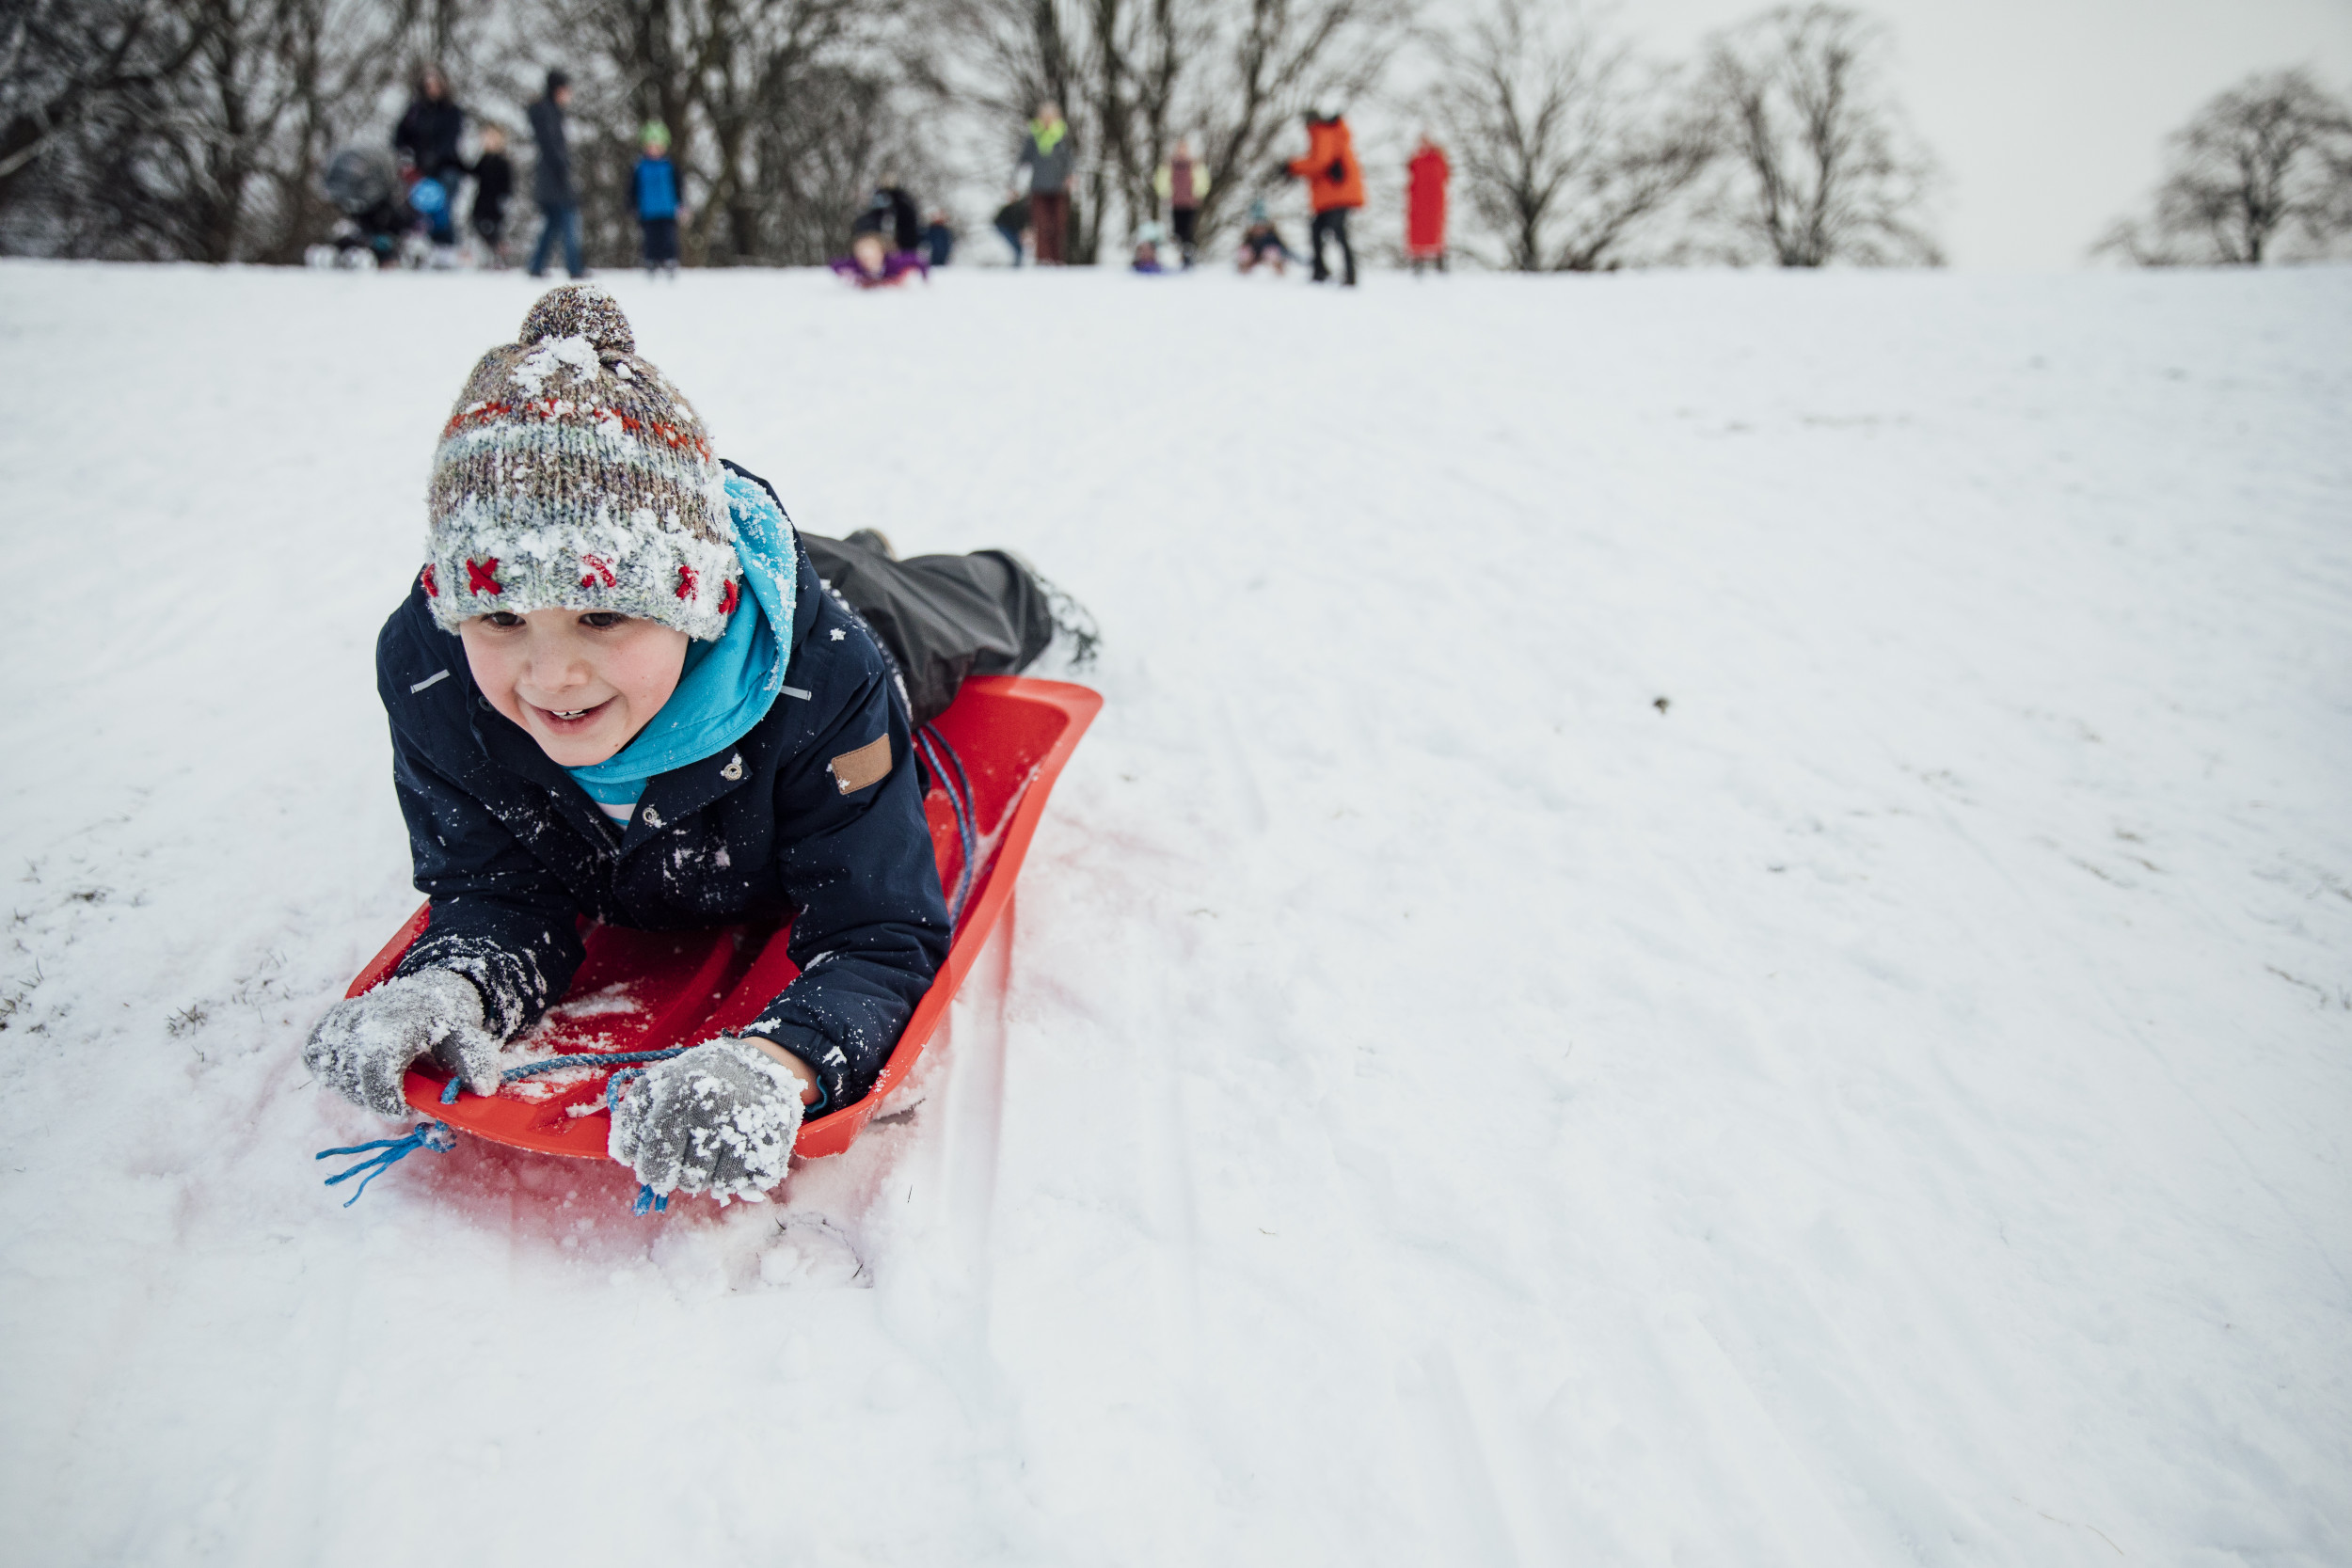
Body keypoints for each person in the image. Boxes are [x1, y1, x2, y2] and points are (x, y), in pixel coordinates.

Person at [303, 286, 1076, 1206]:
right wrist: (455, 983)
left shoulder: (830, 675)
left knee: (945, 607)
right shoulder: (433, 673)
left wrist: (779, 1062)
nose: (551, 676)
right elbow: (496, 887)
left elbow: (881, 930)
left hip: (844, 617)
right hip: (705, 579)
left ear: (695, 605)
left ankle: (1007, 581)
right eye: (501, 617)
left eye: (600, 613)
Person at [1284, 108, 1363, 285]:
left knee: (1337, 231)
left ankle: (1348, 274)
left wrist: (1292, 166)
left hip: (1338, 195)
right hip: (1332, 195)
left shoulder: (1322, 132)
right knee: (1318, 229)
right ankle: (1321, 271)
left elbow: (1320, 162)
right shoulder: (1326, 132)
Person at [394, 67, 467, 256]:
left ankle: (446, 246)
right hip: (420, 169)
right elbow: (401, 135)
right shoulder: (416, 111)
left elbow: (451, 139)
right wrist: (404, 152)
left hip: (445, 167)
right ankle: (422, 246)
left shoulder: (452, 111)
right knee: (417, 209)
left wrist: (436, 157)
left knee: (442, 208)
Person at [527, 70, 583, 279]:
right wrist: (563, 169)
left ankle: (536, 265)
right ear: (559, 89)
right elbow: (551, 146)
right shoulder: (547, 112)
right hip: (554, 177)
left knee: (552, 223)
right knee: (568, 219)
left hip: (550, 176)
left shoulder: (551, 112)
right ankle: (574, 267)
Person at [1014, 103, 1074, 266]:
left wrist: (1070, 176)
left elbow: (1069, 160)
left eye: (1051, 117)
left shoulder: (1062, 136)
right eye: (1045, 117)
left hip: (1058, 188)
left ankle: (1057, 259)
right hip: (1038, 188)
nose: (1048, 120)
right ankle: (1043, 259)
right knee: (1041, 224)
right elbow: (1022, 161)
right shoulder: (1033, 137)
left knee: (1058, 225)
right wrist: (1015, 183)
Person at [633, 120, 681, 277]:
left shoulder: (670, 166)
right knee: (650, 238)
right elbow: (633, 188)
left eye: (657, 146)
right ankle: (651, 261)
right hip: (647, 210)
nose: (653, 150)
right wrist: (632, 204)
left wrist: (681, 204)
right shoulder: (640, 167)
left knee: (668, 237)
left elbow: (678, 186)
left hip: (667, 209)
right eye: (650, 146)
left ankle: (670, 261)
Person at [1153, 137, 1210, 267]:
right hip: (1175, 203)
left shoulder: (1195, 165)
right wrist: (1166, 194)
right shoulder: (1169, 165)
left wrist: (1198, 194)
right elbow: (1160, 181)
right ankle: (1180, 255)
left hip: (1191, 203)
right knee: (1177, 231)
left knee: (1188, 231)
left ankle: (1189, 256)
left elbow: (1204, 182)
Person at [469, 124, 515, 264]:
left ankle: (500, 257)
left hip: (495, 201)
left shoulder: (502, 161)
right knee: (479, 226)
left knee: (495, 230)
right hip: (482, 200)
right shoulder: (483, 159)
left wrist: (505, 198)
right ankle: (489, 256)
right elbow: (474, 174)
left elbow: (507, 183)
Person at [1406, 135, 1449, 274]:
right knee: (1424, 234)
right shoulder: (1422, 161)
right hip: (1422, 203)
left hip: (1430, 204)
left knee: (1433, 233)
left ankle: (1438, 262)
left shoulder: (1435, 160)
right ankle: (1423, 262)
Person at [830, 229, 928, 288]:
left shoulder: (894, 263)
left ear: (882, 253)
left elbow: (919, 259)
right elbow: (834, 264)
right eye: (863, 256)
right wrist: (852, 277)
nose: (867, 260)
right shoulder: (856, 265)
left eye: (872, 255)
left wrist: (925, 279)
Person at [1234, 200, 1292, 276]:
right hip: (1254, 257)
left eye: (1261, 225)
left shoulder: (1271, 236)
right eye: (1256, 225)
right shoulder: (1250, 238)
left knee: (1272, 252)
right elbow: (1243, 248)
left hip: (1269, 257)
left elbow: (1284, 249)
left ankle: (1279, 273)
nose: (1259, 228)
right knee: (1245, 252)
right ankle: (1243, 274)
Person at [992, 196, 1029, 265]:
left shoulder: (1021, 208)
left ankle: (1017, 264)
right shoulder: (1018, 208)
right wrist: (1021, 233)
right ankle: (1016, 265)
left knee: (1017, 246)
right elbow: (1018, 222)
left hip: (1009, 227)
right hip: (1004, 226)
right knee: (1016, 246)